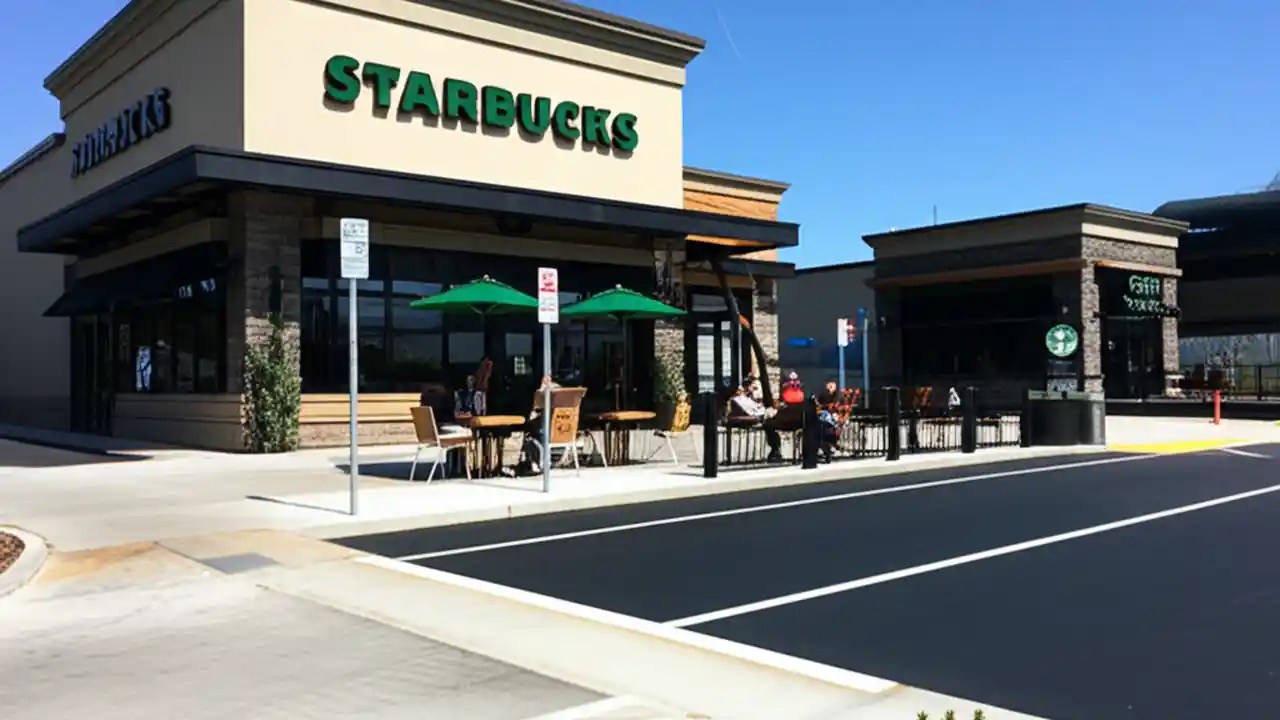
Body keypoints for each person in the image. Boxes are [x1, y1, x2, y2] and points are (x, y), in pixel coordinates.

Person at [729, 377, 783, 463]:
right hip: (742, 419)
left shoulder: (749, 398)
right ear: (747, 387)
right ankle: (775, 449)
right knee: (769, 424)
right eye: (753, 386)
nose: (755, 389)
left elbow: (756, 409)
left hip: (752, 417)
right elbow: (747, 411)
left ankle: (775, 449)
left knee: (769, 424)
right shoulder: (739, 399)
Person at [516, 375, 561, 475]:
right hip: (562, 430)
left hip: (546, 429)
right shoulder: (563, 393)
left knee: (537, 428)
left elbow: (536, 406)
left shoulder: (545, 393)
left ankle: (539, 461)